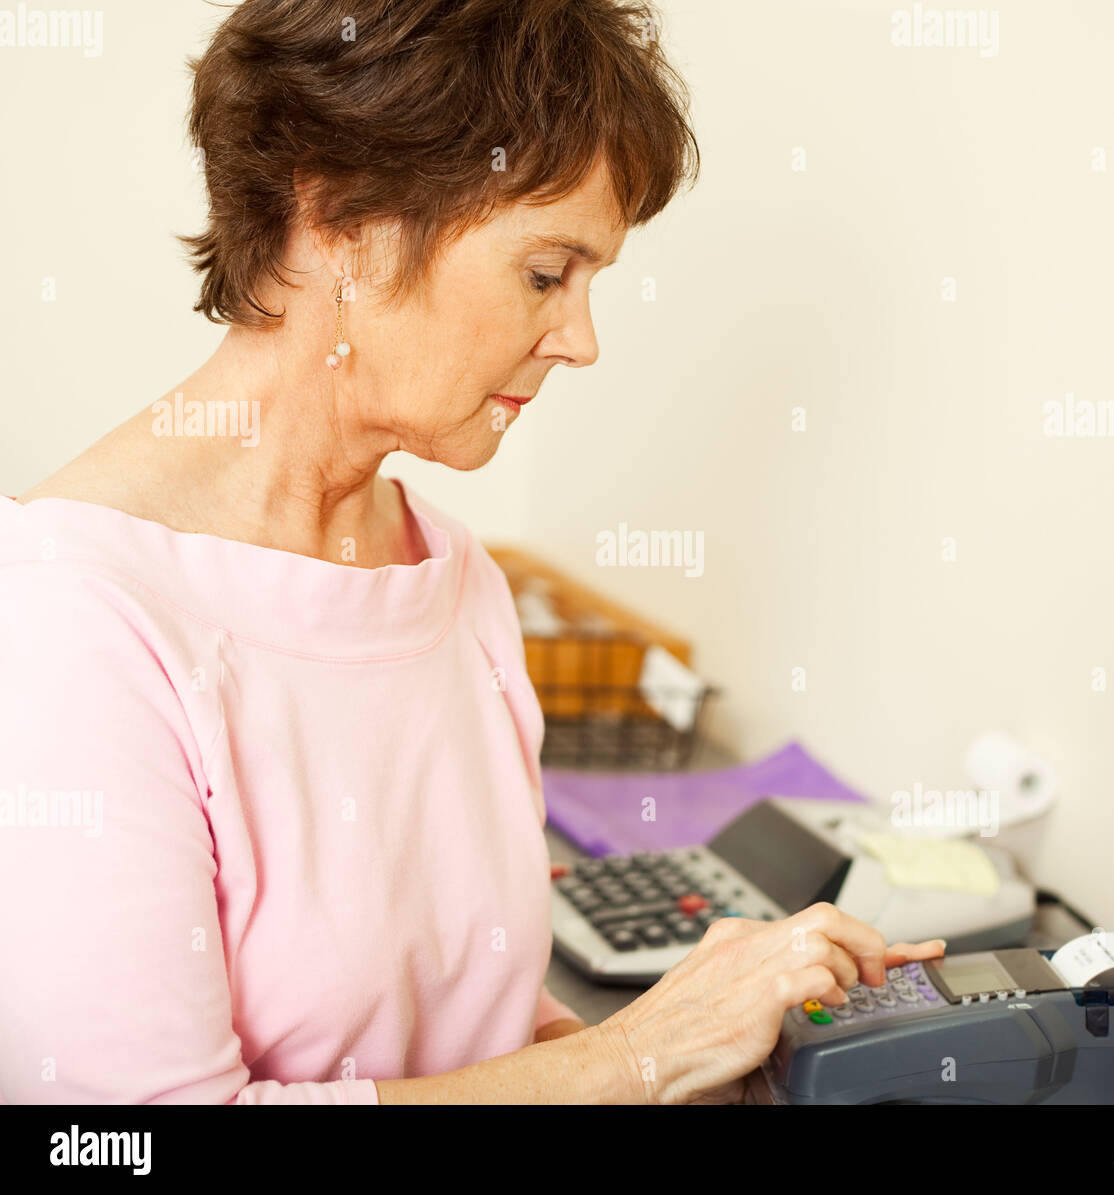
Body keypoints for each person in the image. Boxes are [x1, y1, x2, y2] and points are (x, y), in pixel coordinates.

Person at [0, 0, 943, 1105]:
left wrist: (714, 1053)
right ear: (338, 216)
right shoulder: (72, 621)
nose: (582, 341)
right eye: (547, 274)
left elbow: (469, 1040)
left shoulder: (455, 581)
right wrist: (638, 1055)